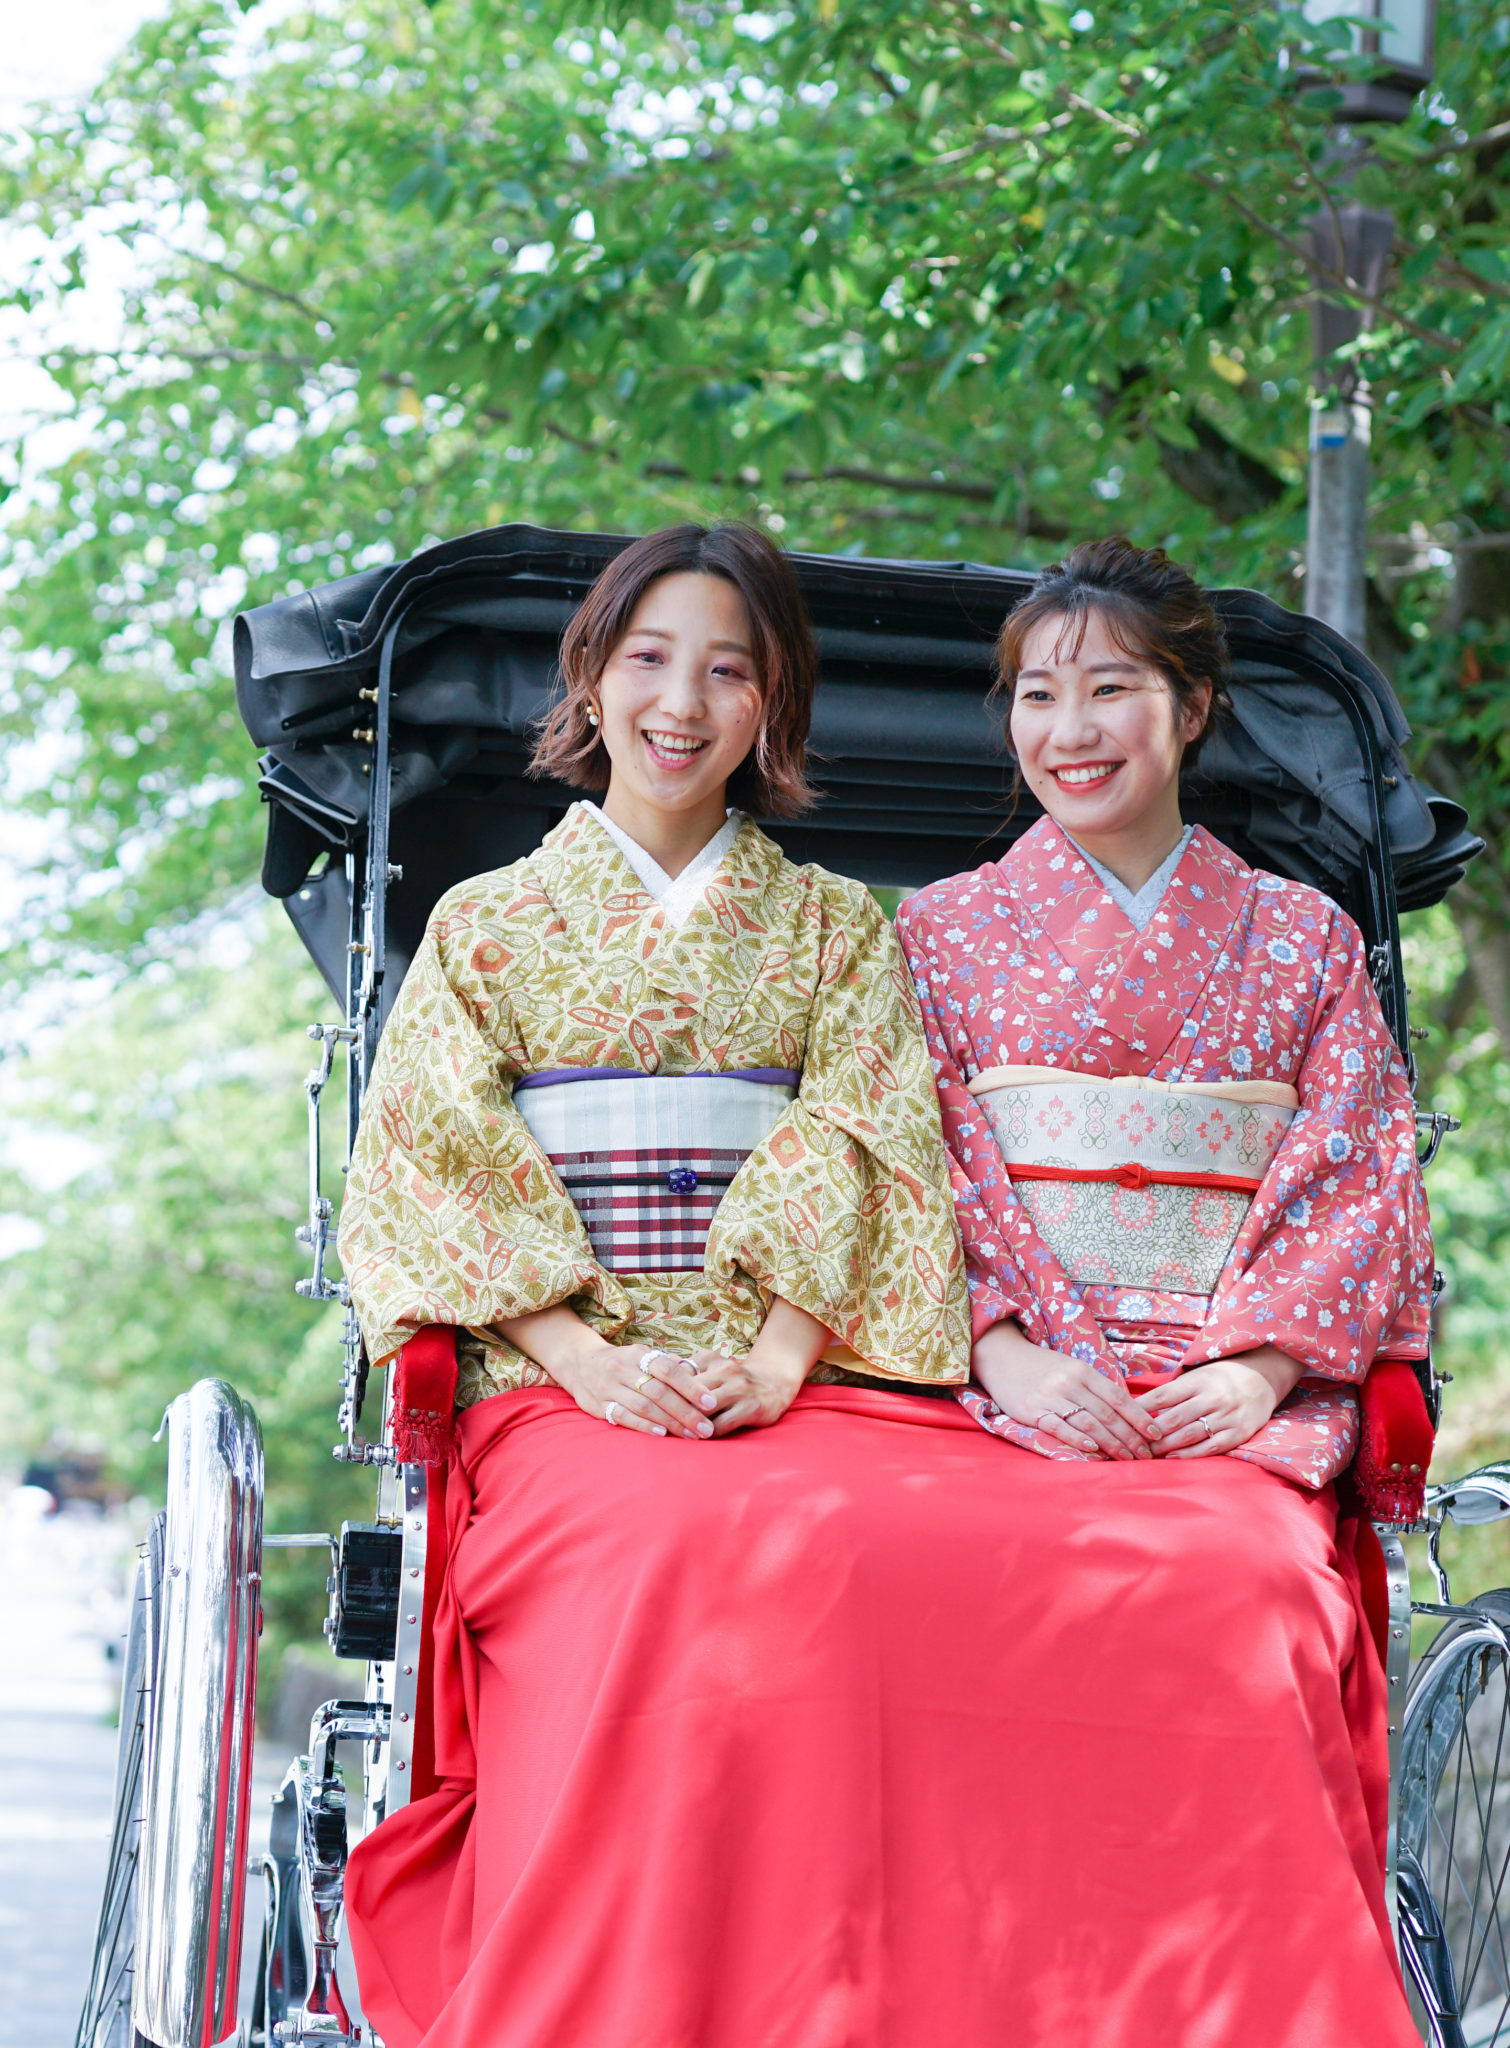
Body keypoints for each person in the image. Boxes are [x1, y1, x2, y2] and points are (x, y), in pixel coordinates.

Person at [338, 523, 979, 2048]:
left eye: (727, 671)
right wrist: (582, 1361)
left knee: (893, 1547)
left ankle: (845, 1983)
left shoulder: (833, 924)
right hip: (557, 1369)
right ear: (591, 674)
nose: (680, 703)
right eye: (647, 659)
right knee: (668, 1548)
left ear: (772, 708)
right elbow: (430, 1160)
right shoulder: (486, 925)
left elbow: (867, 1134)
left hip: (789, 1367)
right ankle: (614, 1994)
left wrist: (774, 1357)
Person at [895, 536, 1432, 2047]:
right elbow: (910, 1157)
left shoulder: (1307, 939)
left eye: (1110, 689)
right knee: (891, 1579)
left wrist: (1261, 1367)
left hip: (1223, 1387)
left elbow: (1355, 1171)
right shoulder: (934, 935)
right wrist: (1002, 1353)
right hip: (999, 1391)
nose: (1069, 731)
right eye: (1037, 696)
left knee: (1244, 1593)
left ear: (1188, 706)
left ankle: (1240, 2007)